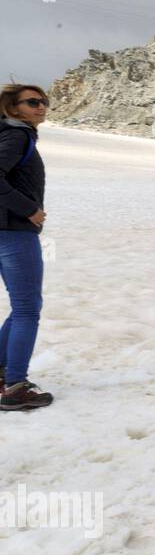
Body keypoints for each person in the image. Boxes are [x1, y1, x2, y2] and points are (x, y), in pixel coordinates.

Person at [0, 83, 54, 412]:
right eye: (32, 102)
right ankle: (15, 387)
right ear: (13, 107)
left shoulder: (13, 134)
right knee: (27, 310)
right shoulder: (17, 136)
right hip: (15, 232)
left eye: (44, 101)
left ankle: (4, 374)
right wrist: (29, 210)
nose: (41, 106)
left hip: (6, 230)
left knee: (20, 308)